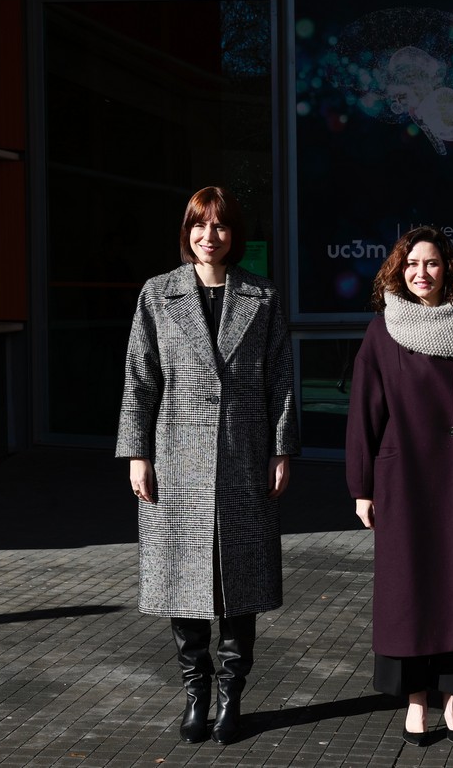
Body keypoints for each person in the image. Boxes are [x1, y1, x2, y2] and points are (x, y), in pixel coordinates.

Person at [116, 185, 298, 746]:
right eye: (200, 225)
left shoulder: (261, 298)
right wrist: (137, 453)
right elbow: (139, 378)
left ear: (233, 233)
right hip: (177, 461)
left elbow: (281, 381)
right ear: (187, 230)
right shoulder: (158, 294)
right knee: (184, 584)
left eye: (219, 226)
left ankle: (231, 698)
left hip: (244, 459)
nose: (209, 236)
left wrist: (281, 448)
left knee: (237, 584)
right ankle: (195, 693)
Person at [345, 226, 453, 746]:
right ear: (399, 271)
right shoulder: (382, 331)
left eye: (433, 263)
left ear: (450, 269)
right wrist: (362, 486)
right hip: (405, 482)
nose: (422, 273)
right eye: (412, 264)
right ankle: (416, 701)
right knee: (411, 593)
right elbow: (364, 413)